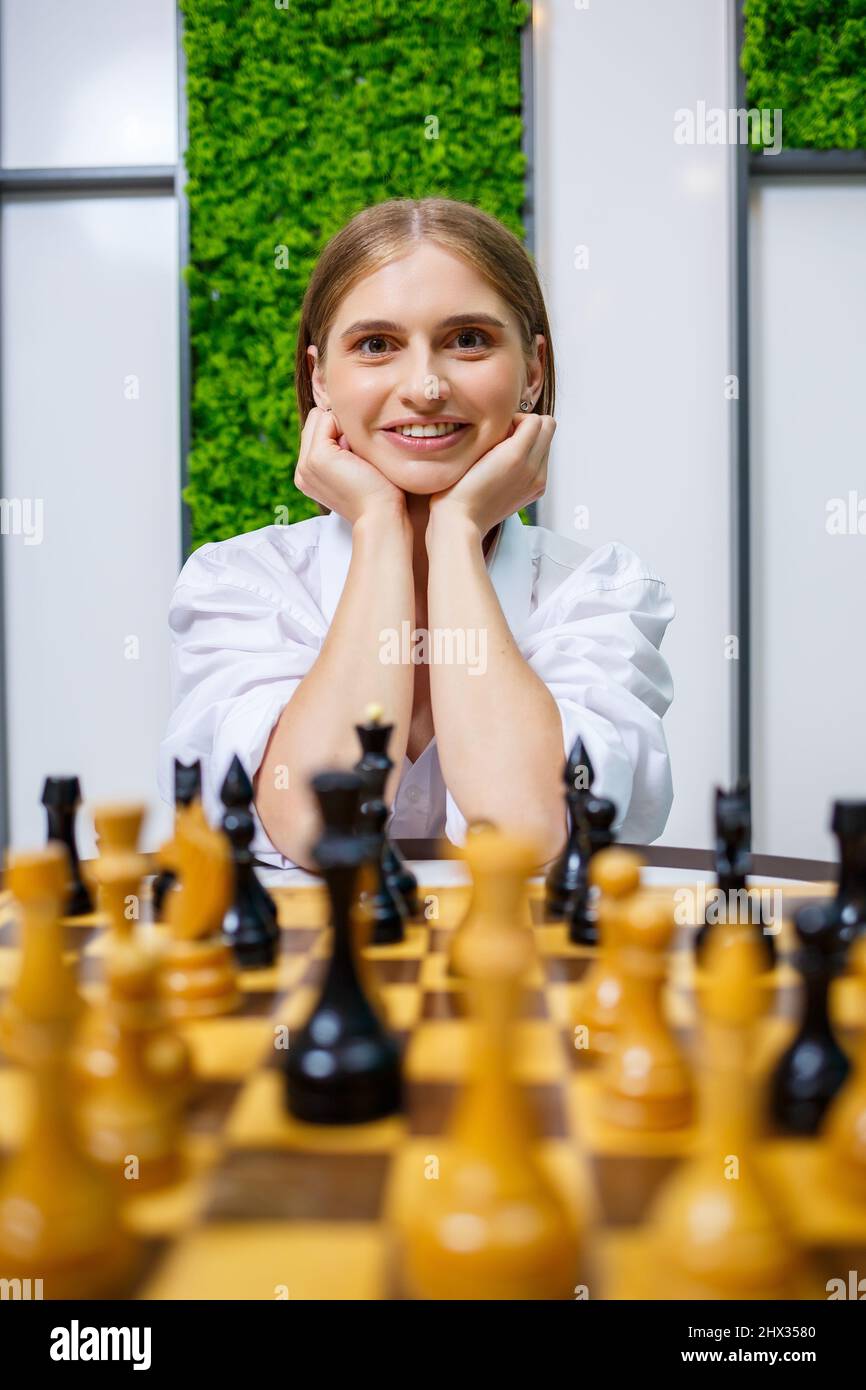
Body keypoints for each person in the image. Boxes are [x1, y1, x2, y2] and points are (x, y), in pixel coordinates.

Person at [158, 197, 674, 873]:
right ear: (320, 378)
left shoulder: (600, 592)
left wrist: (456, 535)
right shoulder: (239, 584)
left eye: (468, 340)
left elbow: (522, 828)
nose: (426, 386)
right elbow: (317, 826)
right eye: (376, 345)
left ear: (534, 368)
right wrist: (378, 527)